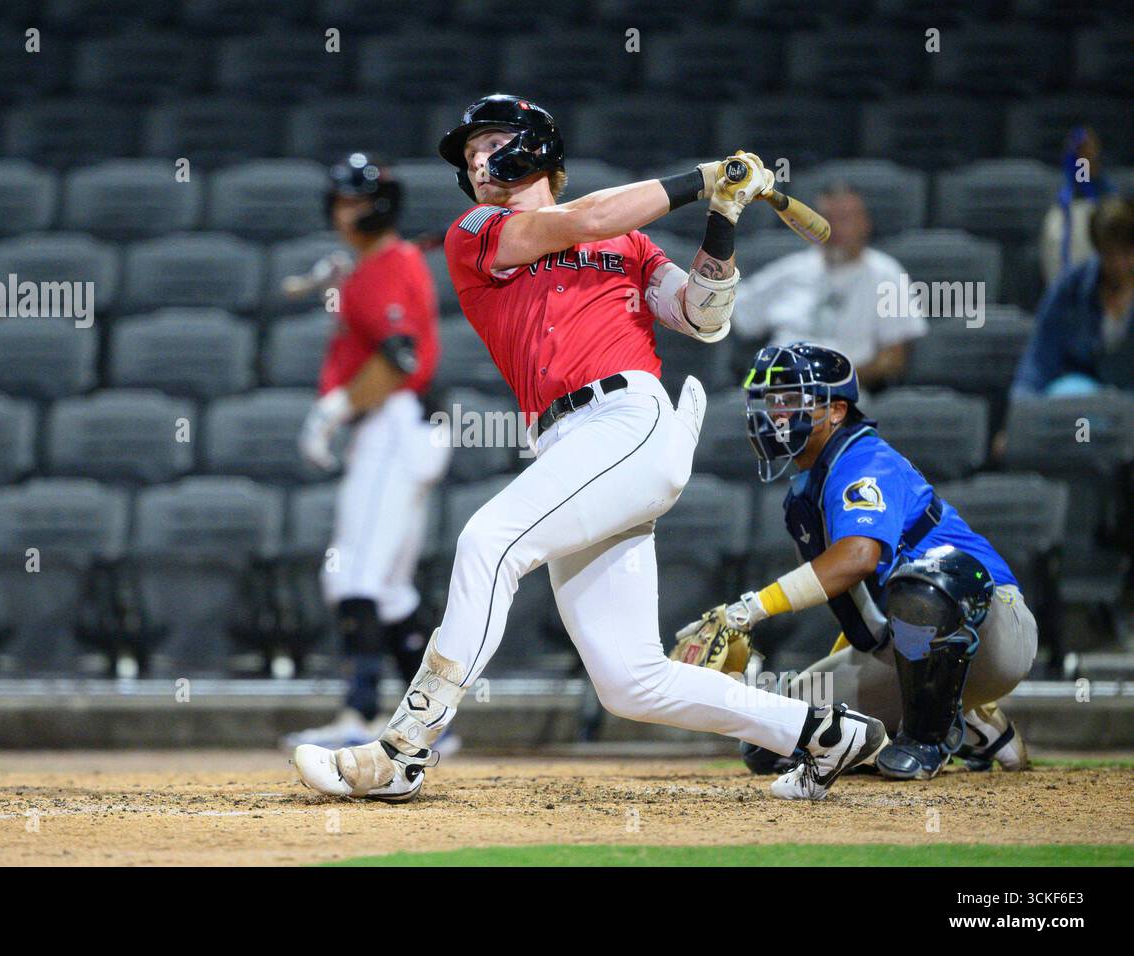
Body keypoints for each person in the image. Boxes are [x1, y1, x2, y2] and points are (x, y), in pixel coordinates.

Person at [293, 93, 889, 804]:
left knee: (490, 541)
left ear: (534, 148)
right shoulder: (478, 230)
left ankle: (403, 750)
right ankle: (822, 732)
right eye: (470, 152)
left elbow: (704, 318)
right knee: (628, 678)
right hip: (570, 447)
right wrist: (706, 178)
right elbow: (578, 219)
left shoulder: (630, 243)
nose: (476, 160)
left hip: (625, 421)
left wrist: (722, 219)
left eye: (489, 143)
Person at [671, 343, 1036, 780]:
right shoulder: (805, 494)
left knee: (922, 584)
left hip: (995, 627)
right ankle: (974, 721)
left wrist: (747, 611)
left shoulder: (865, 461)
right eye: (770, 400)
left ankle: (927, 740)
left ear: (837, 410)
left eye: (789, 399)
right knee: (773, 741)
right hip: (907, 645)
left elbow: (860, 558)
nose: (774, 413)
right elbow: (857, 602)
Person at [285, 154, 454, 753]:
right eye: (341, 201)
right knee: (391, 587)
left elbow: (399, 358)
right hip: (405, 427)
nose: (344, 212)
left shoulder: (384, 266)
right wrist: (350, 279)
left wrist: (333, 410)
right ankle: (431, 723)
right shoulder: (377, 265)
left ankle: (359, 714)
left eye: (353, 202)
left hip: (394, 422)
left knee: (353, 574)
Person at [734, 185, 926, 389]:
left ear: (864, 224)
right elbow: (739, 315)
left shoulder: (887, 274)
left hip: (841, 394)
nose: (833, 227)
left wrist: (833, 381)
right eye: (825, 218)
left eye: (844, 219)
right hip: (774, 386)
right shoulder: (792, 269)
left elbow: (893, 360)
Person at [1012, 194, 1134, 396]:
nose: (1119, 265)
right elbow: (1038, 362)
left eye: (1127, 253)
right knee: (1069, 390)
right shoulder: (1069, 289)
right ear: (1098, 250)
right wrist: (1020, 413)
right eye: (1111, 254)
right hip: (1082, 401)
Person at [1039, 127, 1115, 286]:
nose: (1085, 156)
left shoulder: (1113, 208)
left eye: (1089, 151)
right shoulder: (1058, 218)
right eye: (1080, 152)